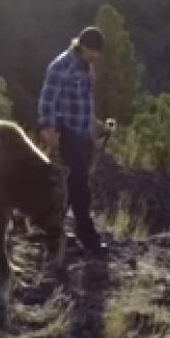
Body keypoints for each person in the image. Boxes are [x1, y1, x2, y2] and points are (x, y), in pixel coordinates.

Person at [38, 26, 108, 257]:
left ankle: (51, 231)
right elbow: (47, 100)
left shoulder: (86, 67)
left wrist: (97, 127)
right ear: (83, 46)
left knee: (70, 186)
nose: (96, 57)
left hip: (83, 135)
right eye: (94, 52)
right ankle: (88, 237)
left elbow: (84, 104)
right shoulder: (61, 67)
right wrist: (47, 129)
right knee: (80, 186)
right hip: (67, 134)